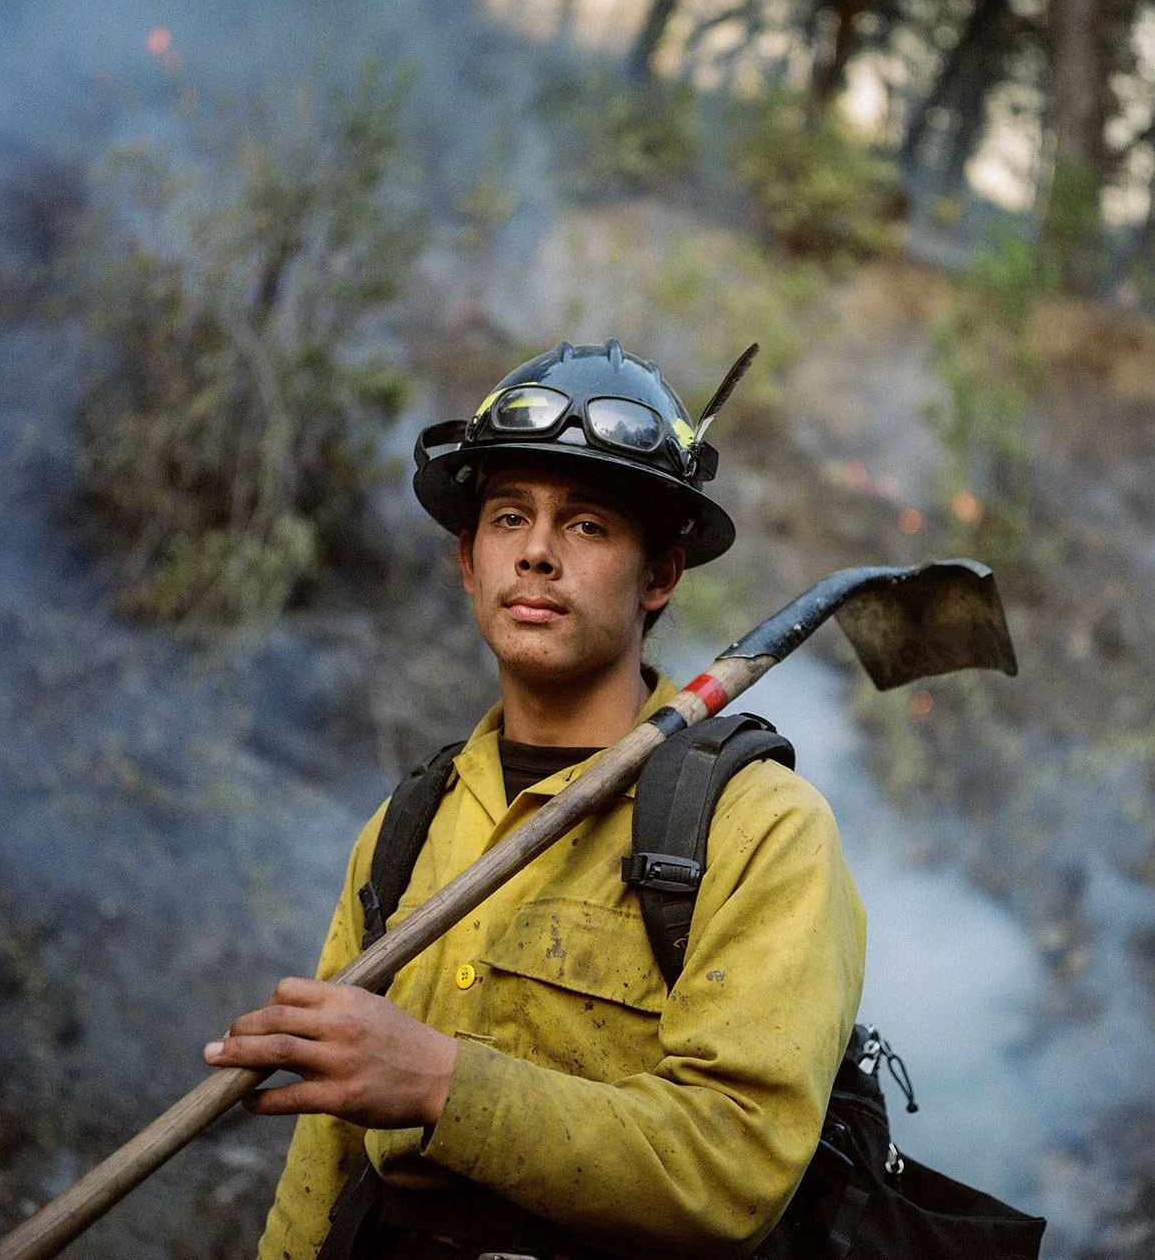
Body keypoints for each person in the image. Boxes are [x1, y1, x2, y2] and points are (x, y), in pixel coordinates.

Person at [206, 340, 867, 1260]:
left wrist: (440, 1082)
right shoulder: (406, 830)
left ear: (661, 578)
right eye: (509, 518)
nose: (540, 554)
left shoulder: (762, 831)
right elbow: (325, 1163)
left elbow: (738, 1166)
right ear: (468, 563)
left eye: (589, 525)